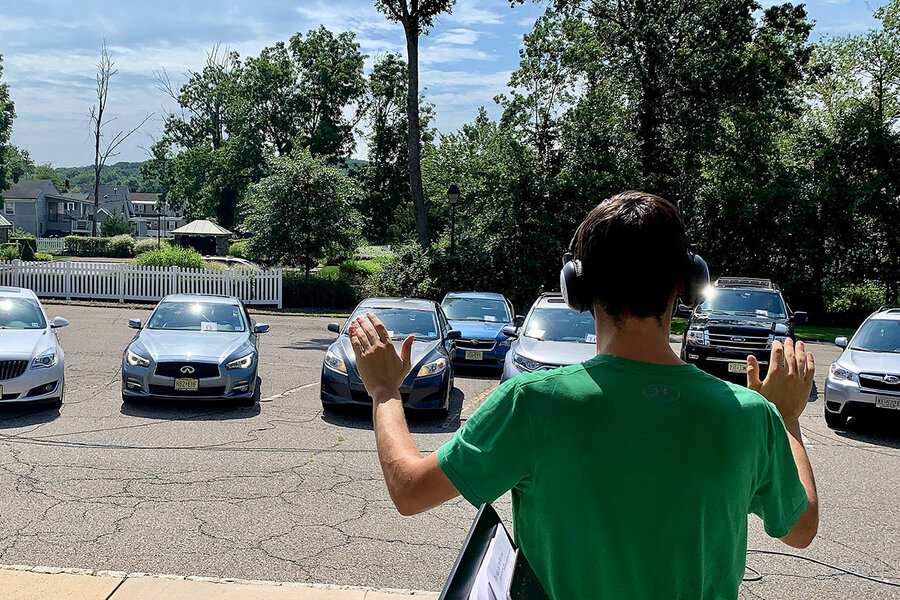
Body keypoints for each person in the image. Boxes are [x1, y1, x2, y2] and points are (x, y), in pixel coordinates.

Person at [346, 191, 818, 599]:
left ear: (577, 288)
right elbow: (801, 528)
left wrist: (385, 390)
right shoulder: (750, 415)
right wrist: (787, 419)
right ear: (687, 283)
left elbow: (409, 490)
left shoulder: (530, 404)